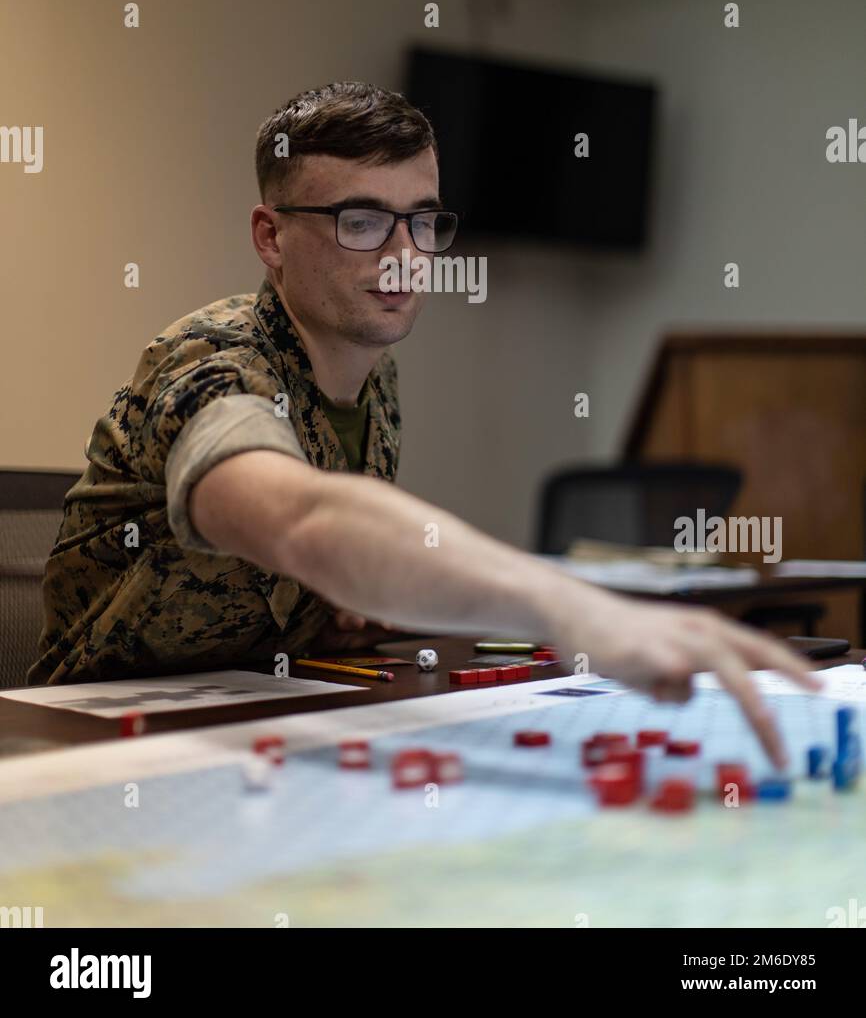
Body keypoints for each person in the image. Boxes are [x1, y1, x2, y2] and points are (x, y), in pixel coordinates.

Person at [29, 82, 815, 767]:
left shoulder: (374, 374)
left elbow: (313, 571)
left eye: (423, 221)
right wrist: (574, 607)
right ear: (271, 236)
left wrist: (336, 605)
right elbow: (301, 520)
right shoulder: (214, 361)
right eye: (362, 221)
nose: (406, 255)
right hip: (92, 749)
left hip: (259, 723)